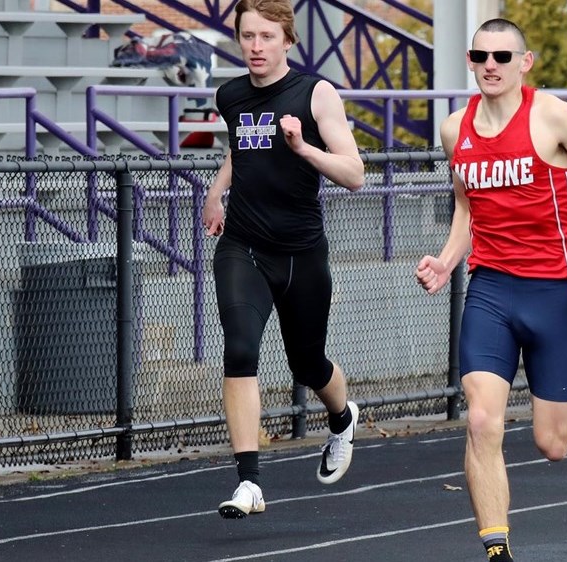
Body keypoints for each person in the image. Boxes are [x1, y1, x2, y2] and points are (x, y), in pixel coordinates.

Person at [414, 18, 567, 562]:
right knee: (483, 419)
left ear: (525, 63)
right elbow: (468, 203)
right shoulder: (453, 130)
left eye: (502, 56)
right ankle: (497, 548)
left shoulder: (553, 117)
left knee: (552, 445)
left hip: (556, 292)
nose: (491, 65)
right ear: (470, 62)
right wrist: (447, 260)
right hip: (490, 289)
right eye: (481, 56)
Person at [201, 0, 365, 520]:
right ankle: (249, 482)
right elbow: (242, 147)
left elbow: (354, 172)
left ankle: (342, 417)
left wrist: (303, 148)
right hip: (243, 245)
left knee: (307, 363)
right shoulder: (230, 95)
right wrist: (215, 189)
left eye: (266, 37)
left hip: (301, 253)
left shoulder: (315, 93)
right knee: (241, 348)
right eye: (247, 36)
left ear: (287, 41)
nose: (255, 47)